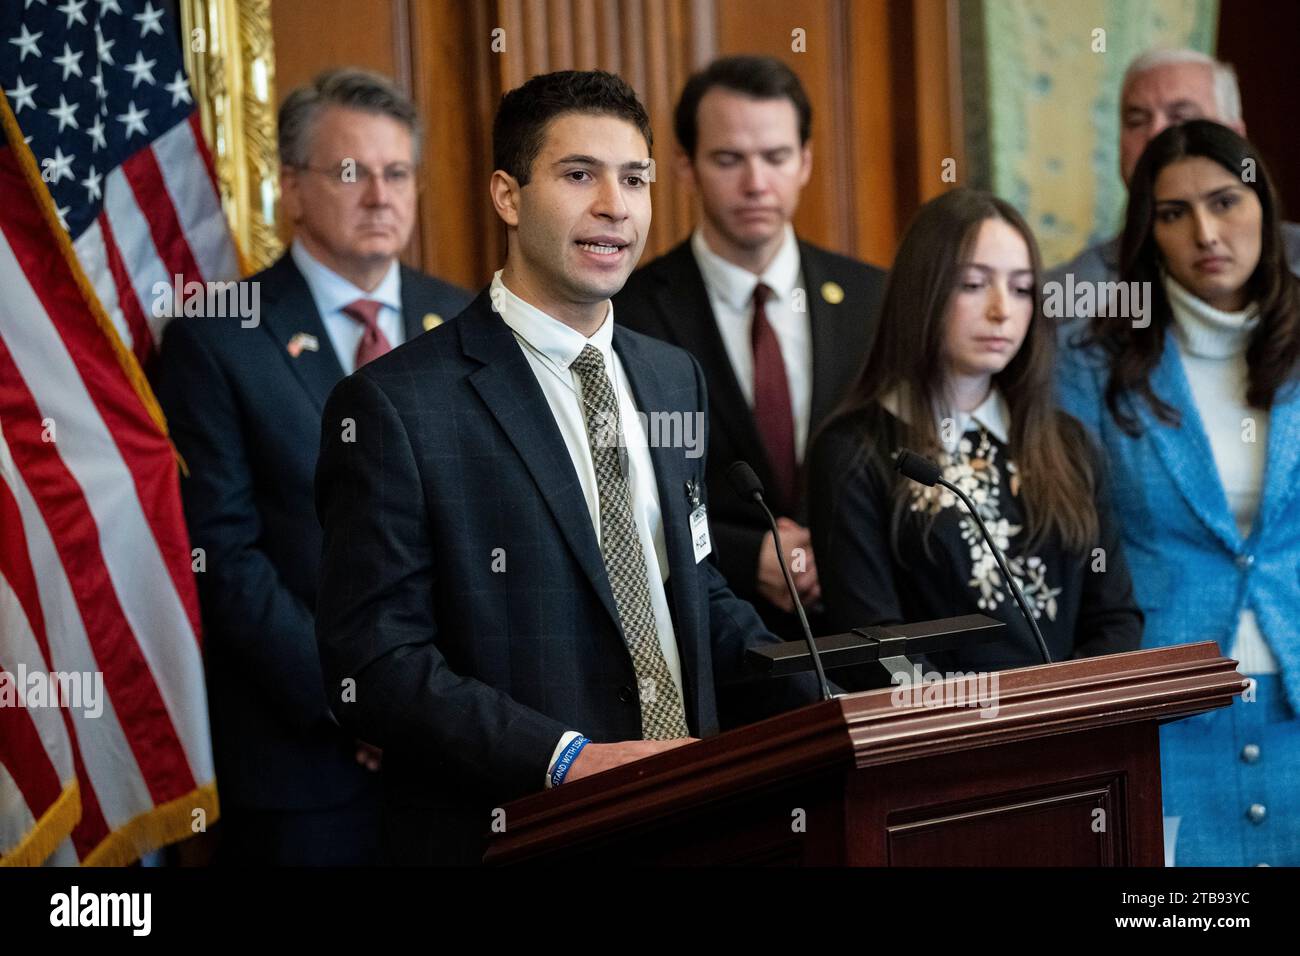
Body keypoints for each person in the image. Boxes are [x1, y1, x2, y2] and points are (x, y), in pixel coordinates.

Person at [313, 69, 825, 866]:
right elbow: (378, 663)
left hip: (698, 812)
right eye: (579, 174)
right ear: (508, 196)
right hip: (521, 831)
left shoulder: (668, 377)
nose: (615, 206)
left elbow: (692, 586)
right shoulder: (396, 405)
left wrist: (833, 705)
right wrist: (563, 759)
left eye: (635, 178)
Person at [155, 68, 471, 864]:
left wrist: (443, 706)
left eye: (397, 173)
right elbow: (222, 559)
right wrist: (363, 700)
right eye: (349, 172)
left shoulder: (470, 321)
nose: (379, 195)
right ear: (291, 188)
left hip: (466, 751)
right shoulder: (217, 337)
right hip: (311, 770)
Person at [1057, 120, 1300, 867]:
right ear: (1147, 232)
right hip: (1165, 696)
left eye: (1226, 201)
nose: (1206, 230)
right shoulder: (1090, 360)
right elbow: (1077, 542)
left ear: (1265, 207)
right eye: (1173, 213)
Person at [809, 188, 1142, 678]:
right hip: (939, 741)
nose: (1002, 310)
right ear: (922, 291)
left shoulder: (1067, 442)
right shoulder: (853, 450)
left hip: (1075, 736)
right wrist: (984, 722)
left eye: (1023, 288)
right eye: (973, 285)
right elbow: (873, 645)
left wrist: (1062, 711)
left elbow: (1115, 617)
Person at [615, 55, 885, 644]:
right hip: (710, 639)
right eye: (728, 159)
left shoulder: (874, 298)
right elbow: (621, 482)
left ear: (806, 161)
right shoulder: (626, 311)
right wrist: (743, 552)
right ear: (684, 167)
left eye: (776, 157)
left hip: (865, 629)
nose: (756, 183)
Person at [1048, 48, 1300, 291]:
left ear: (1235, 138)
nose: (1157, 135)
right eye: (1136, 121)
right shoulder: (1067, 297)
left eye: (1182, 119)